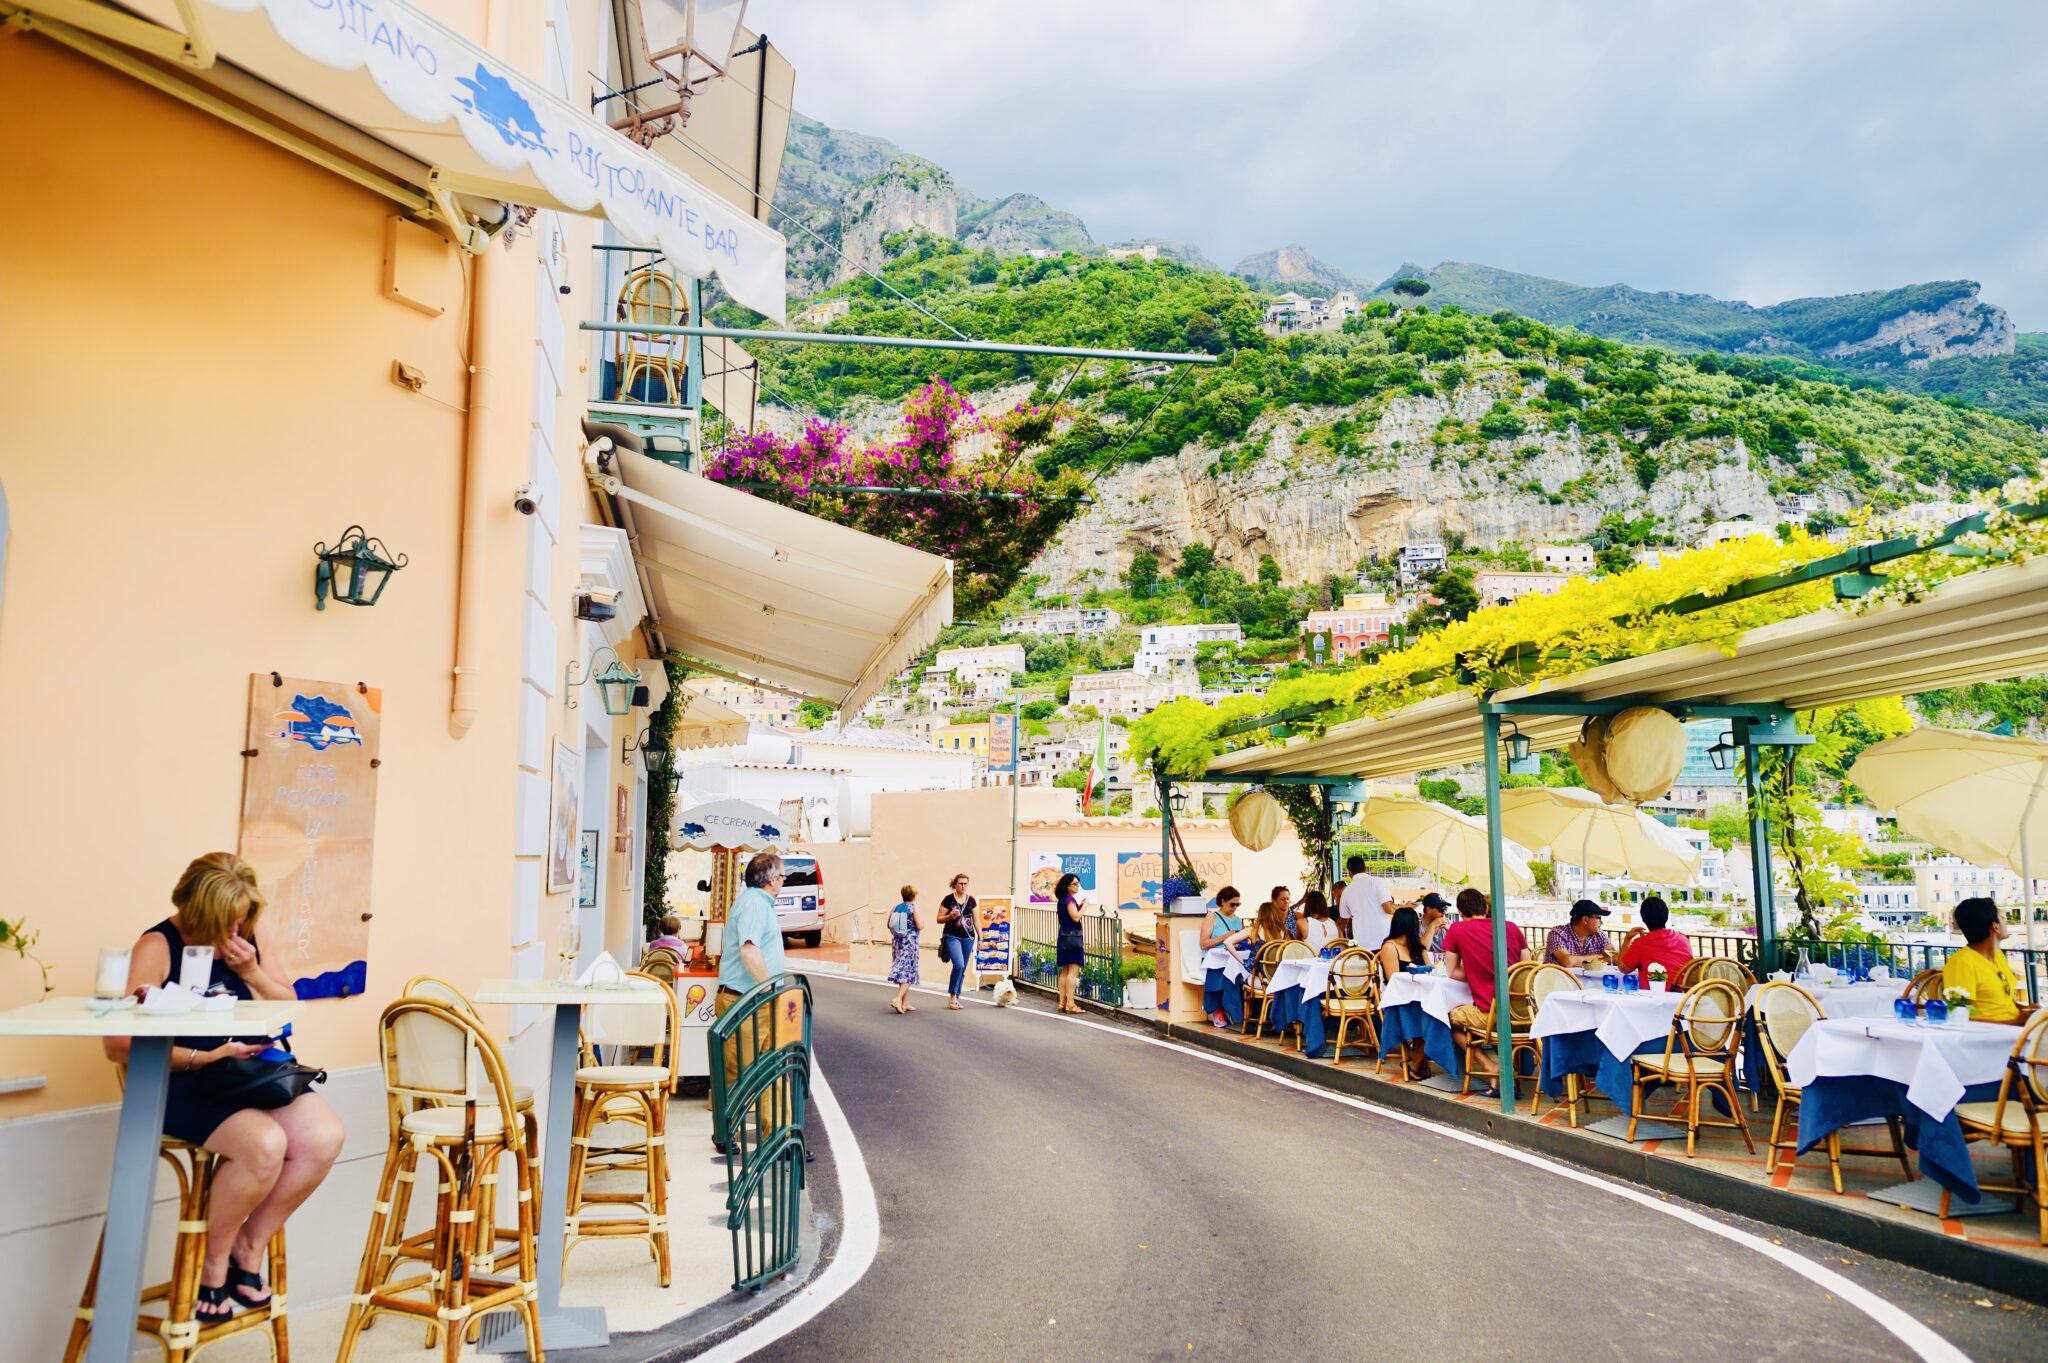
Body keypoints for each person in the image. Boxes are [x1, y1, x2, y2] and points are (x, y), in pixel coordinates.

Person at [105, 853, 344, 1322]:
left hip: (247, 1075)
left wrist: (253, 971)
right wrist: (207, 1056)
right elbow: (118, 1045)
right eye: (223, 926)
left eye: (241, 923)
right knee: (265, 1145)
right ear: (196, 914)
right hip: (182, 1080)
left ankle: (247, 1247)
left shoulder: (249, 937)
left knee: (324, 1136)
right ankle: (211, 1265)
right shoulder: (157, 946)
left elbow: (288, 1004)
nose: (232, 935)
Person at [718, 852, 793, 1133]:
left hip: (754, 1000)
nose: (783, 883)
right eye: (783, 877)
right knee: (742, 1073)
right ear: (773, 880)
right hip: (747, 1000)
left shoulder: (756, 903)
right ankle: (725, 1131)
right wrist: (772, 987)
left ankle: (779, 1134)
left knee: (770, 1068)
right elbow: (749, 950)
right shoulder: (755, 905)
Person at [1442, 888, 1528, 1098]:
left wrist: (1475, 971)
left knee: (1446, 1018)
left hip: (1491, 1013)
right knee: (1494, 1026)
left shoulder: (1458, 929)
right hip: (1523, 1013)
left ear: (1460, 912)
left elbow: (1452, 972)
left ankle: (1489, 1065)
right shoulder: (1511, 927)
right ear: (1486, 908)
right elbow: (1527, 969)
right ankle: (1509, 1075)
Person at [1941, 897, 2033, 1025]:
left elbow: (2000, 1004)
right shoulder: (1962, 963)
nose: (2005, 923)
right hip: (1993, 1038)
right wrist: (2019, 1021)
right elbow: (1959, 1019)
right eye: (2003, 919)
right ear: (1995, 927)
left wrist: (2028, 1011)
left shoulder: (1998, 956)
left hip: (2016, 1030)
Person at [1377, 906, 1434, 1080]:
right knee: (1432, 1018)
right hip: (1399, 1000)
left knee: (1440, 1016)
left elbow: (1430, 970)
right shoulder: (1389, 947)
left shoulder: (1417, 946)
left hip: (1421, 996)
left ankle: (1418, 1059)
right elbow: (1393, 979)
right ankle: (1418, 1063)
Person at [1200, 886, 1253, 1028]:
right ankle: (1217, 1008)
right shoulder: (1212, 917)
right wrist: (1225, 937)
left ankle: (1230, 1007)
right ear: (1222, 901)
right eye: (1232, 904)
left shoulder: (1238, 920)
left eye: (1238, 904)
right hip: (1213, 959)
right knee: (1221, 972)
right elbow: (1203, 943)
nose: (1235, 907)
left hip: (1231, 957)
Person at [1616, 895, 1692, 988]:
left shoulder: (1641, 943)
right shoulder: (1683, 939)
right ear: (1666, 915)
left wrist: (1627, 940)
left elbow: (1623, 968)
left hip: (1655, 997)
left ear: (1643, 919)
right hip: (1685, 993)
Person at [937, 872, 978, 1011]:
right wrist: (950, 916)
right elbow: (939, 919)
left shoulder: (971, 900)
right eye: (960, 883)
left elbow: (976, 920)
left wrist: (981, 938)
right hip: (952, 936)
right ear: (955, 885)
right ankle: (953, 996)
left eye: (965, 883)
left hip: (968, 937)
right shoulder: (948, 899)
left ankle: (956, 997)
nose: (963, 886)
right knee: (959, 964)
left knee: (963, 968)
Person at [1339, 855, 1394, 949]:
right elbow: (1389, 909)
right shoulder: (1376, 882)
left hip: (1361, 943)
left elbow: (1342, 921)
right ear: (1366, 869)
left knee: (1366, 964)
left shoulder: (1347, 891)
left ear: (1349, 872)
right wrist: (1405, 906)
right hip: (1383, 940)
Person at [1054, 873, 1087, 1014]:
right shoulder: (1069, 900)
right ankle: (1071, 1004)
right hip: (1073, 938)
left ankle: (1062, 1003)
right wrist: (1085, 906)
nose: (1077, 886)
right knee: (1073, 971)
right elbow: (1075, 917)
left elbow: (1069, 915)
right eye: (1075, 884)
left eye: (1078, 883)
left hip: (1063, 937)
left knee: (1065, 971)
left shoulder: (1062, 900)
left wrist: (1079, 906)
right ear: (1068, 886)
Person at [1546, 899, 1614, 968]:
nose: (1602, 922)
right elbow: (1567, 961)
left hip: (1588, 978)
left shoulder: (1599, 935)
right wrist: (1601, 957)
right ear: (1585, 920)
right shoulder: (1557, 933)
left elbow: (1614, 956)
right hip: (1558, 977)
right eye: (1599, 918)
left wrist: (1606, 958)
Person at [886, 884, 921, 1014]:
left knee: (902, 970)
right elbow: (920, 925)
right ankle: (898, 998)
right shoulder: (913, 907)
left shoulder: (896, 907)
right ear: (913, 895)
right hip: (910, 942)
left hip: (897, 942)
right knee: (910, 971)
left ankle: (905, 1003)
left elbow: (888, 924)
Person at [1417, 892, 1452, 960]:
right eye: (1441, 910)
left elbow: (1459, 949)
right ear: (1428, 909)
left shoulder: (1447, 922)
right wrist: (1433, 925)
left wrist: (1451, 931)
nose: (1444, 912)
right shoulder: (1417, 927)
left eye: (1445, 909)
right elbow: (1422, 950)